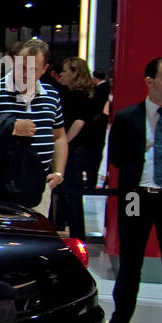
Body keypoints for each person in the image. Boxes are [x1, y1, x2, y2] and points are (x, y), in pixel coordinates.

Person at [106, 57, 162, 323]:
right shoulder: (128, 118)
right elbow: (116, 158)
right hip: (137, 196)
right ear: (149, 81)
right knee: (130, 263)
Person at [0, 38, 66, 212]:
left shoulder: (51, 95)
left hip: (39, 182)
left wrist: (59, 173)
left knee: (35, 235)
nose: (25, 74)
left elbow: (59, 137)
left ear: (45, 69)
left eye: (33, 69)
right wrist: (11, 127)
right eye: (21, 67)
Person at [52, 56, 98, 239]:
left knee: (71, 193)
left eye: (64, 70)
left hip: (74, 149)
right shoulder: (79, 93)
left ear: (75, 72)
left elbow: (79, 122)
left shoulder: (78, 96)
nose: (61, 74)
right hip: (74, 148)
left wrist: (65, 142)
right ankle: (68, 231)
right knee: (66, 193)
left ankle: (76, 235)